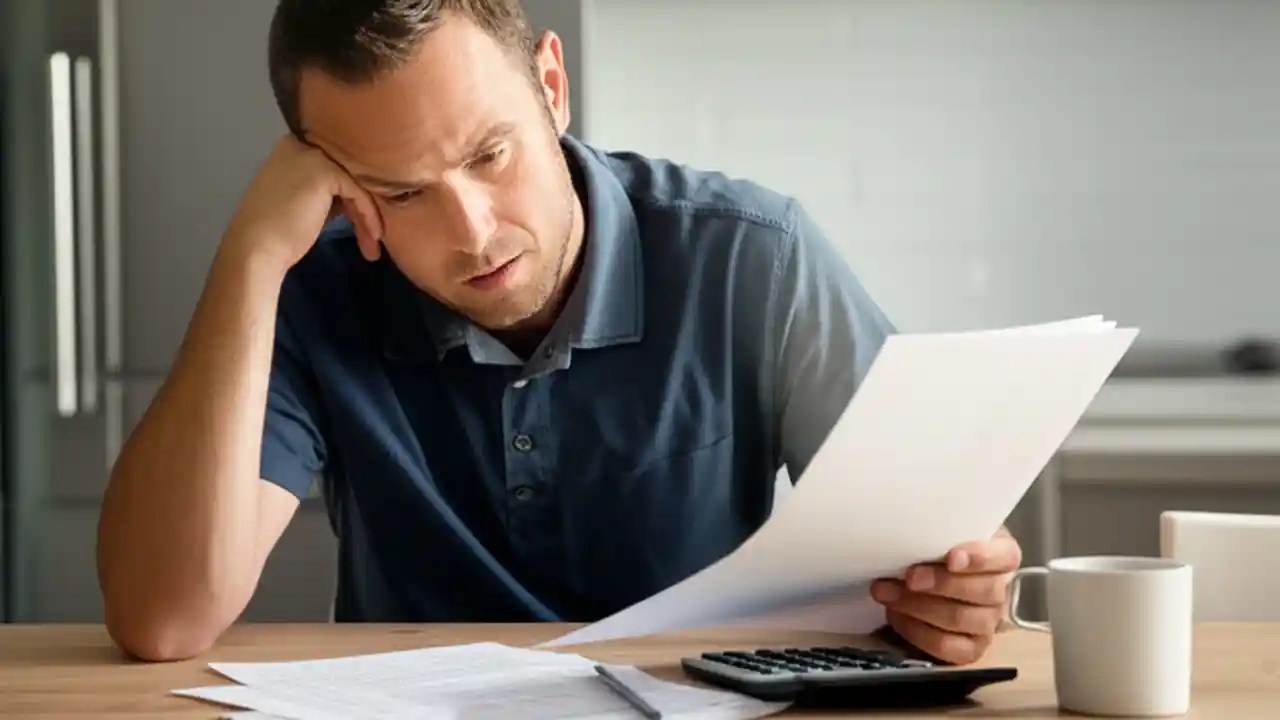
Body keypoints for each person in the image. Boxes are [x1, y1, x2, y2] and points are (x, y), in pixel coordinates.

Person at [97, 0, 1022, 665]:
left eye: (489, 155)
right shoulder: (314, 293)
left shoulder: (756, 259)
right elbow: (164, 622)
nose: (472, 230)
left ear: (550, 83)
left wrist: (961, 592)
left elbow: (940, 559)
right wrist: (254, 254)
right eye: (401, 193)